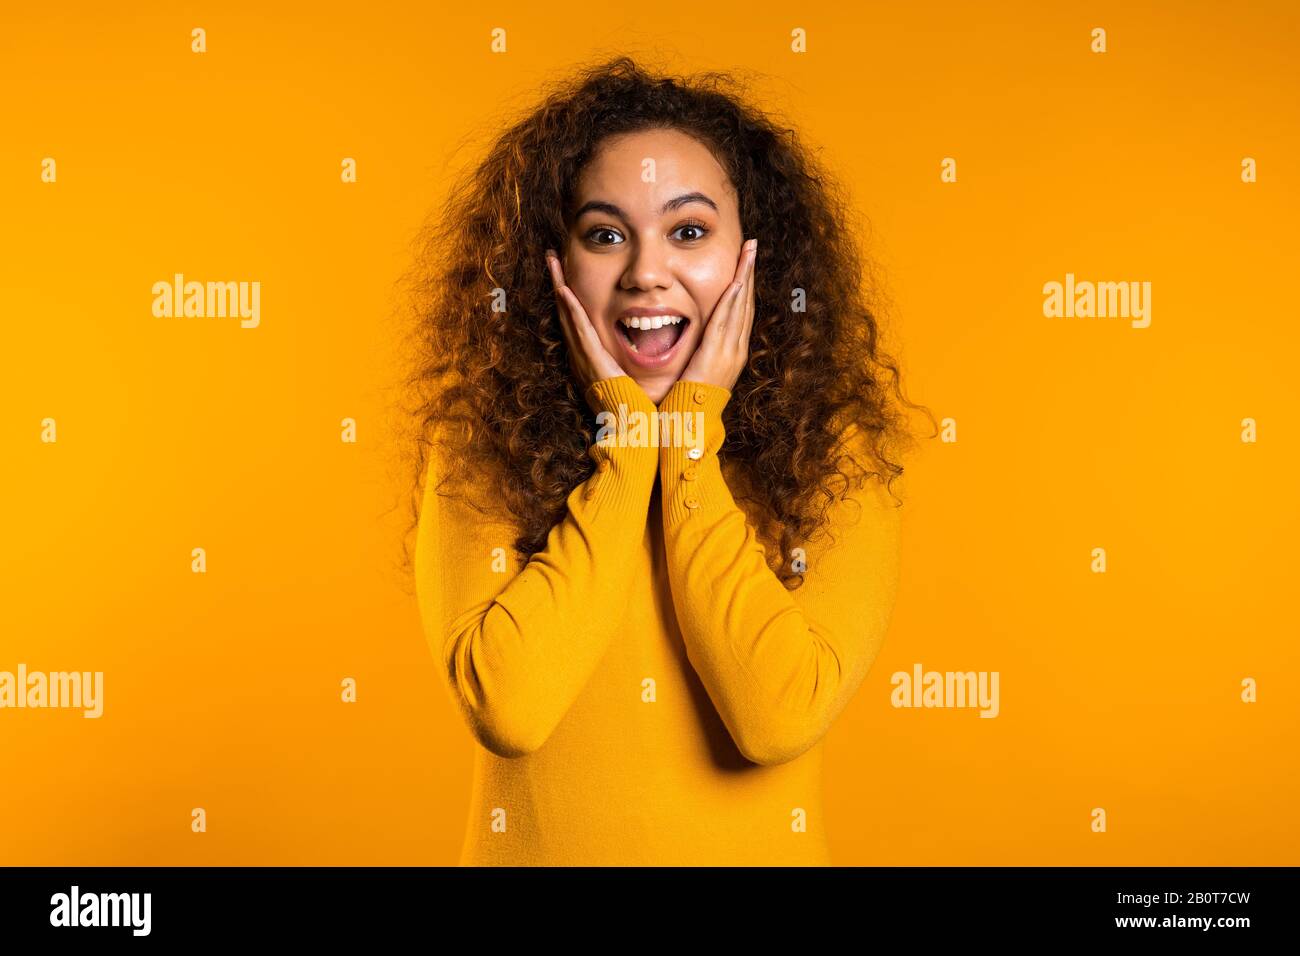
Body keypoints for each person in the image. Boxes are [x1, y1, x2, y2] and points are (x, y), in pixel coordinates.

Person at [404, 56, 929, 865]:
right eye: (606, 235)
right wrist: (626, 446)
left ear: (755, 256)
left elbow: (776, 718)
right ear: (554, 262)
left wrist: (688, 434)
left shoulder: (837, 451)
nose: (647, 273)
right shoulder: (484, 442)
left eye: (688, 231)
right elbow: (508, 707)